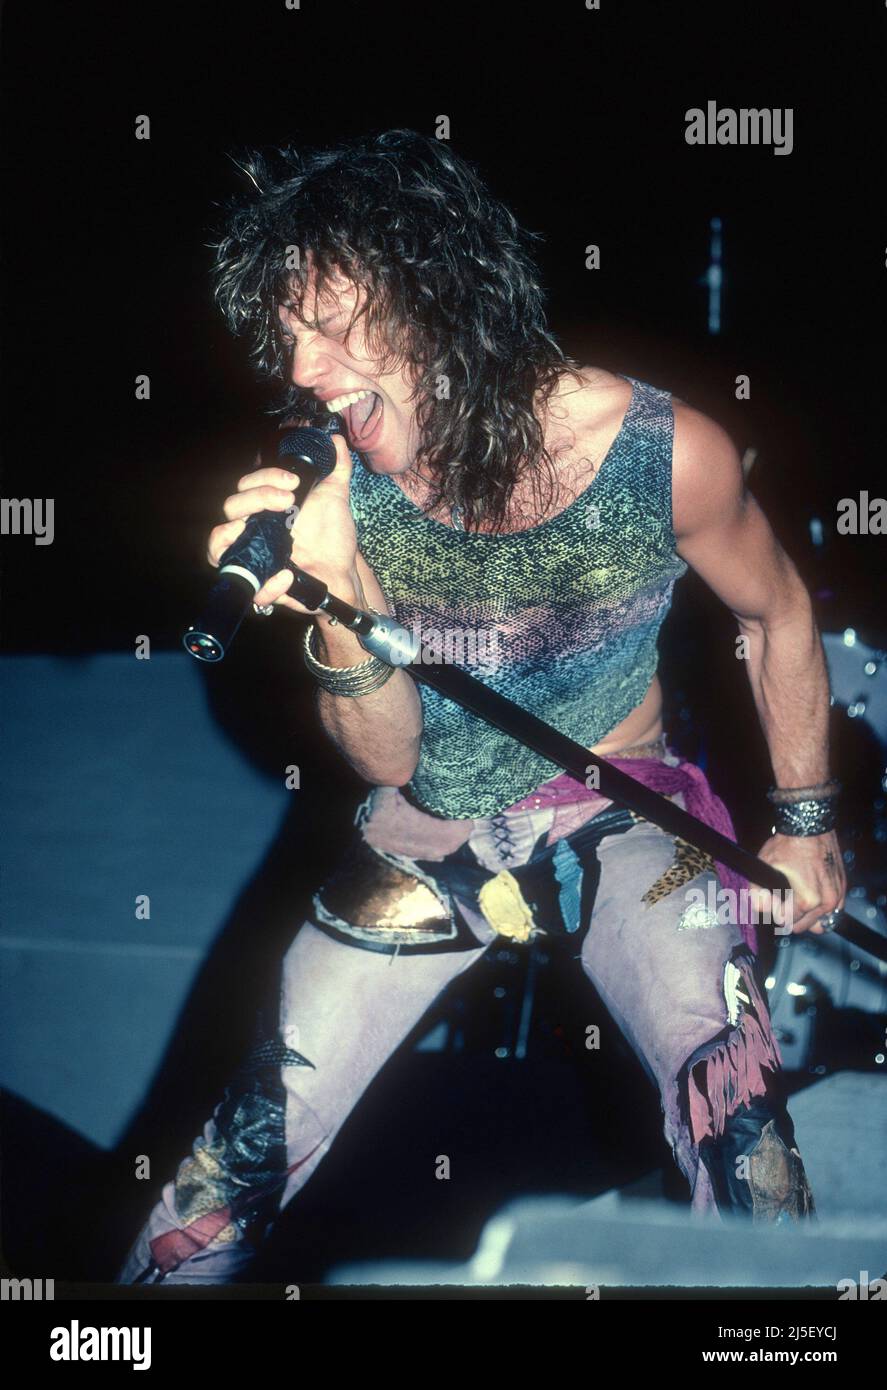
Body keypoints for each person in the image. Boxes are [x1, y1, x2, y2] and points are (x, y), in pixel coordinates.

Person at [119, 129, 844, 1284]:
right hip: (431, 822)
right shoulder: (339, 483)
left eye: (333, 322)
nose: (305, 370)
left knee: (736, 1112)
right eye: (288, 333)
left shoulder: (660, 450)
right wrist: (342, 599)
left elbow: (778, 614)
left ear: (445, 293)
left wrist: (804, 822)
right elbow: (386, 754)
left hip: (628, 804)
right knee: (248, 1142)